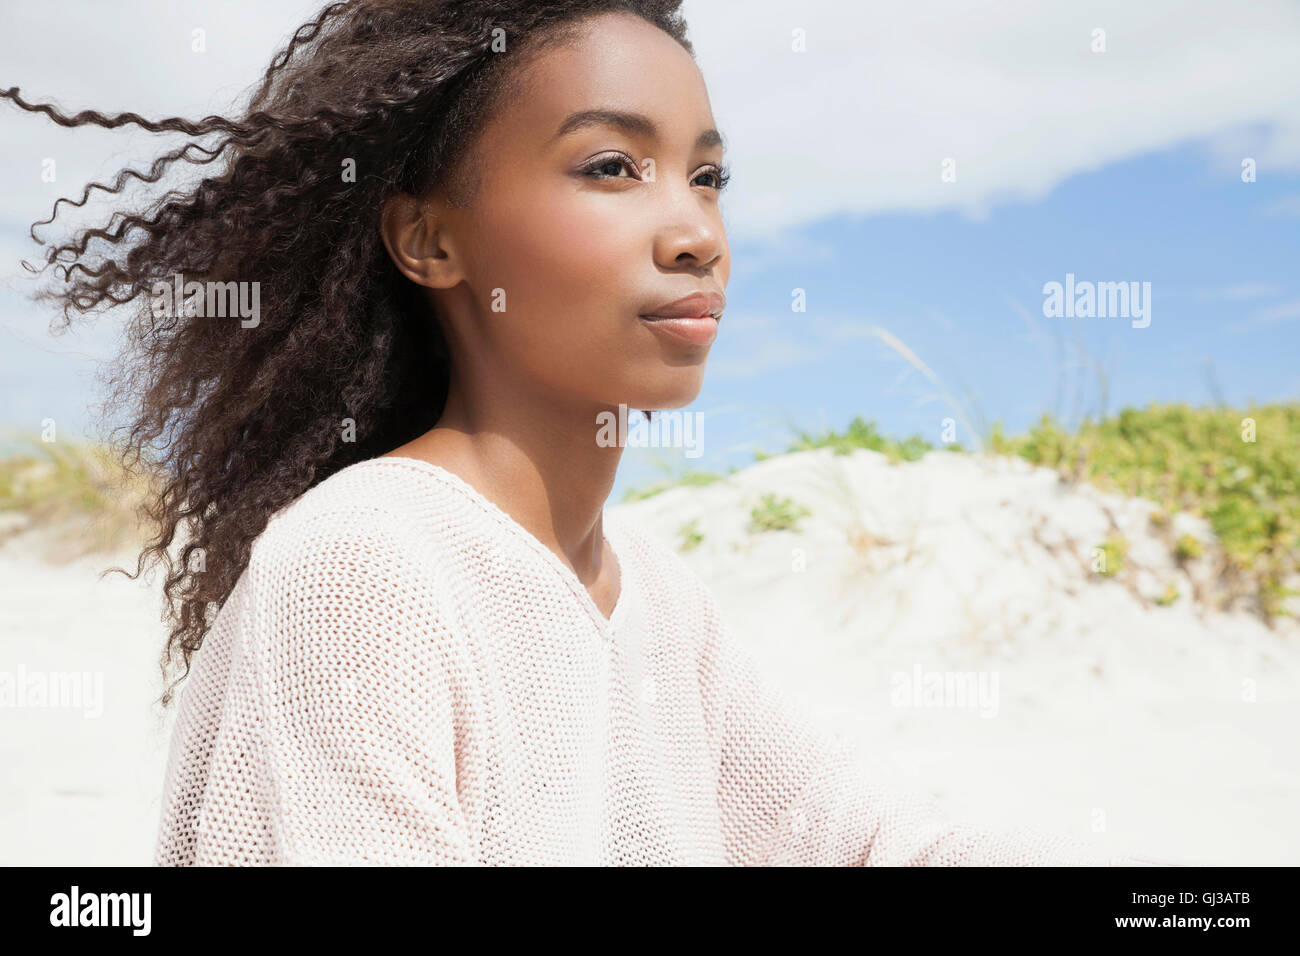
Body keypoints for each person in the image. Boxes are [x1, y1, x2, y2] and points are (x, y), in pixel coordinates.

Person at [4, 0, 1160, 866]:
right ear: (429, 241)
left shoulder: (653, 594)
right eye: (613, 166)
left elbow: (862, 836)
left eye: (707, 176)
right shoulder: (365, 566)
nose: (695, 230)